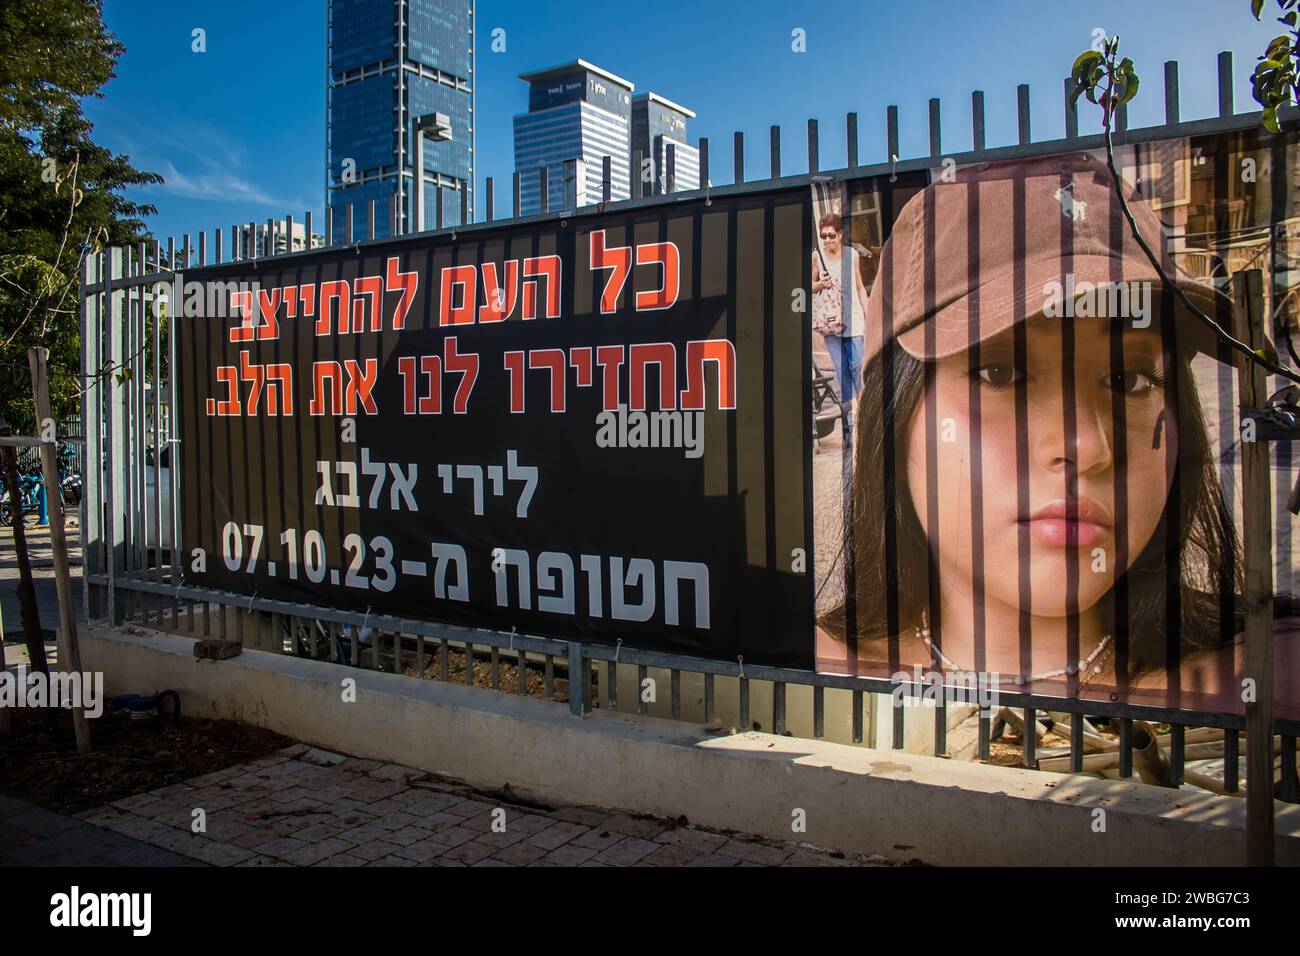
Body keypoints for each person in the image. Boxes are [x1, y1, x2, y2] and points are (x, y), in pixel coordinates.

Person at [816, 152, 1299, 717]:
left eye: (1129, 379)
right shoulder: (803, 679)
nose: (1088, 447)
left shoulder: (1266, 682)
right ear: (894, 423)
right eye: (999, 373)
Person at [812, 213, 870, 421]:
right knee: (841, 368)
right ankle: (854, 410)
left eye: (831, 236)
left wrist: (867, 312)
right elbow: (807, 287)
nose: (827, 240)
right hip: (829, 321)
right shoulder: (817, 257)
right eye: (824, 236)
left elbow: (860, 286)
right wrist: (820, 284)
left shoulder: (851, 255)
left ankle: (863, 404)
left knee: (857, 364)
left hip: (853, 318)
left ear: (840, 234)